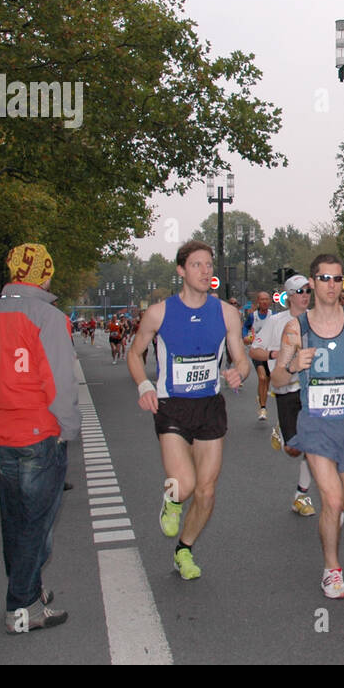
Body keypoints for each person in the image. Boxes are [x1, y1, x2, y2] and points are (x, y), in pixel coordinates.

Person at [0, 243, 79, 632]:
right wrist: (66, 427)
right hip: (40, 430)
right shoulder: (48, 317)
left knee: (14, 518)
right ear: (45, 274)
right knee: (37, 521)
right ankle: (22, 606)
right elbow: (60, 382)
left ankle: (28, 586)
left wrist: (2, 407)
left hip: (4, 432)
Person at [128, 241, 250, 581]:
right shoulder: (159, 312)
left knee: (207, 491)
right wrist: (144, 385)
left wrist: (239, 371)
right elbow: (134, 354)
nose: (205, 271)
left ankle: (185, 549)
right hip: (171, 406)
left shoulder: (227, 313)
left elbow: (240, 357)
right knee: (183, 484)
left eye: (209, 265)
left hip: (210, 406)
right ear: (181, 270)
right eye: (197, 265)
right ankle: (171, 500)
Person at [271, 255, 344, 598]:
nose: (331, 286)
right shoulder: (296, 328)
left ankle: (336, 518)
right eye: (324, 279)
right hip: (316, 424)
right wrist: (290, 365)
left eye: (337, 279)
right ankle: (332, 570)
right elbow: (276, 378)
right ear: (313, 284)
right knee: (332, 500)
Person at [250, 274, 318, 517]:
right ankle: (282, 427)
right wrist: (274, 355)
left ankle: (301, 495)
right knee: (294, 449)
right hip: (286, 388)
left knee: (312, 444)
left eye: (308, 290)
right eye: (300, 291)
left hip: (312, 390)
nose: (306, 295)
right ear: (289, 296)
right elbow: (254, 350)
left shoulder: (317, 319)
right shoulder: (276, 322)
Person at [245, 291, 275, 420]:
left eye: (267, 299)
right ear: (258, 301)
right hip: (257, 351)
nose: (265, 302)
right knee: (262, 378)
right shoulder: (253, 316)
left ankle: (262, 398)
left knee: (267, 379)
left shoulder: (273, 316)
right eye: (262, 299)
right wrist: (245, 337)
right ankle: (263, 408)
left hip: (269, 352)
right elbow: (245, 328)